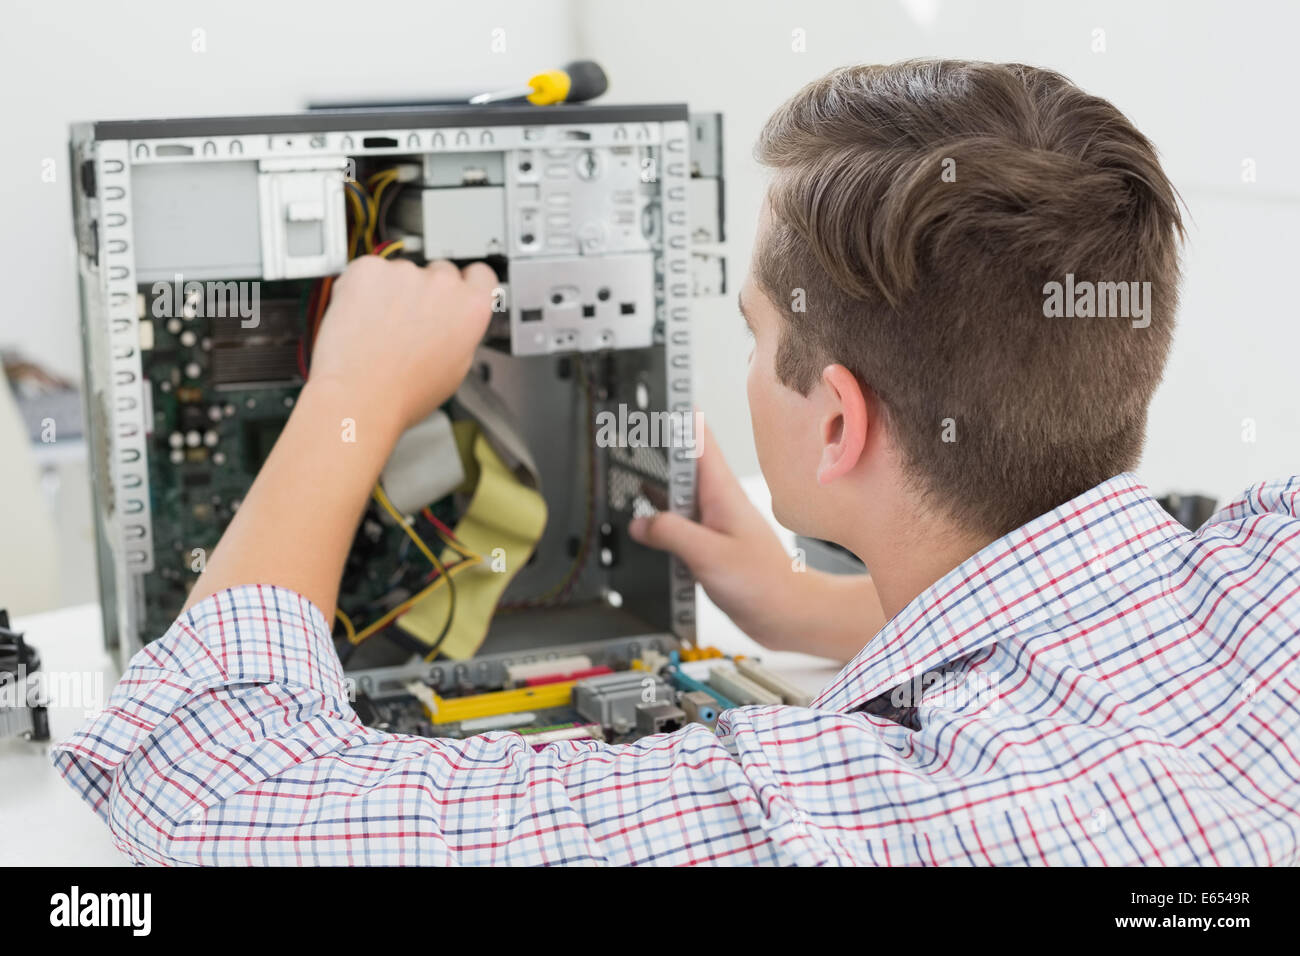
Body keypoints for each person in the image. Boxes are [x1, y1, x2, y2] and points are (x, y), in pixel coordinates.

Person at [54, 60, 1300, 865]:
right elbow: (1122, 591)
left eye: (756, 337)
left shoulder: (812, 822)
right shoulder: (1270, 558)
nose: (742, 363)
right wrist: (819, 603)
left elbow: (205, 783)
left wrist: (351, 396)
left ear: (835, 425)